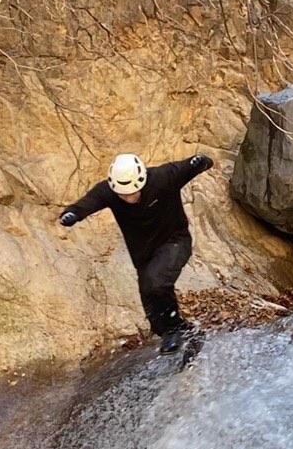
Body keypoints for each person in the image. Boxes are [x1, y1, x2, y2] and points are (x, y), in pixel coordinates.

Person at [59, 151, 213, 353]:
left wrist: (200, 162)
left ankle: (175, 330)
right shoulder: (108, 192)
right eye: (124, 195)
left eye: (134, 192)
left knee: (157, 283)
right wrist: (72, 214)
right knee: (152, 307)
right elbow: (88, 203)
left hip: (175, 241)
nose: (130, 197)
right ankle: (187, 334)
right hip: (144, 256)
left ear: (142, 180)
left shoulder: (163, 177)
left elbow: (199, 164)